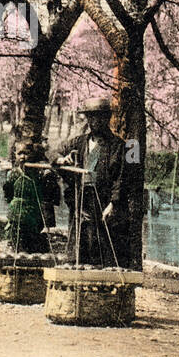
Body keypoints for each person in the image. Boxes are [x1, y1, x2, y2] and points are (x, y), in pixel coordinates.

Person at [54, 97, 137, 269]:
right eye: (91, 117)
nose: (94, 121)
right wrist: (61, 159)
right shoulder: (79, 142)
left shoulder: (120, 146)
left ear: (107, 118)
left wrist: (114, 204)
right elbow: (54, 153)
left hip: (104, 202)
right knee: (78, 241)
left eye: (99, 117)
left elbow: (122, 178)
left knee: (101, 244)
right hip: (81, 200)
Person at [2, 143, 59, 253]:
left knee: (33, 245)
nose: (23, 157)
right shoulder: (12, 174)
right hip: (16, 215)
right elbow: (8, 193)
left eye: (26, 153)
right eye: (20, 153)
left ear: (32, 155)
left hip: (33, 215)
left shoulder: (38, 174)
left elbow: (48, 194)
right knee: (17, 244)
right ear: (15, 155)